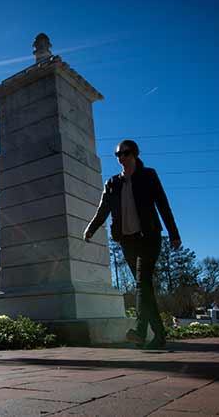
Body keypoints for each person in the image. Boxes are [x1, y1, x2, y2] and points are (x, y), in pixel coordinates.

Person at [83, 139, 181, 349]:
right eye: (118, 155)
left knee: (141, 283)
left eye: (125, 153)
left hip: (149, 236)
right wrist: (90, 229)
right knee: (144, 288)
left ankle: (139, 329)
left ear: (135, 154)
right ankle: (159, 335)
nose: (121, 158)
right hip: (127, 241)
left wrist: (174, 233)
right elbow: (103, 210)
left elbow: (163, 205)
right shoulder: (112, 183)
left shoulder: (148, 176)